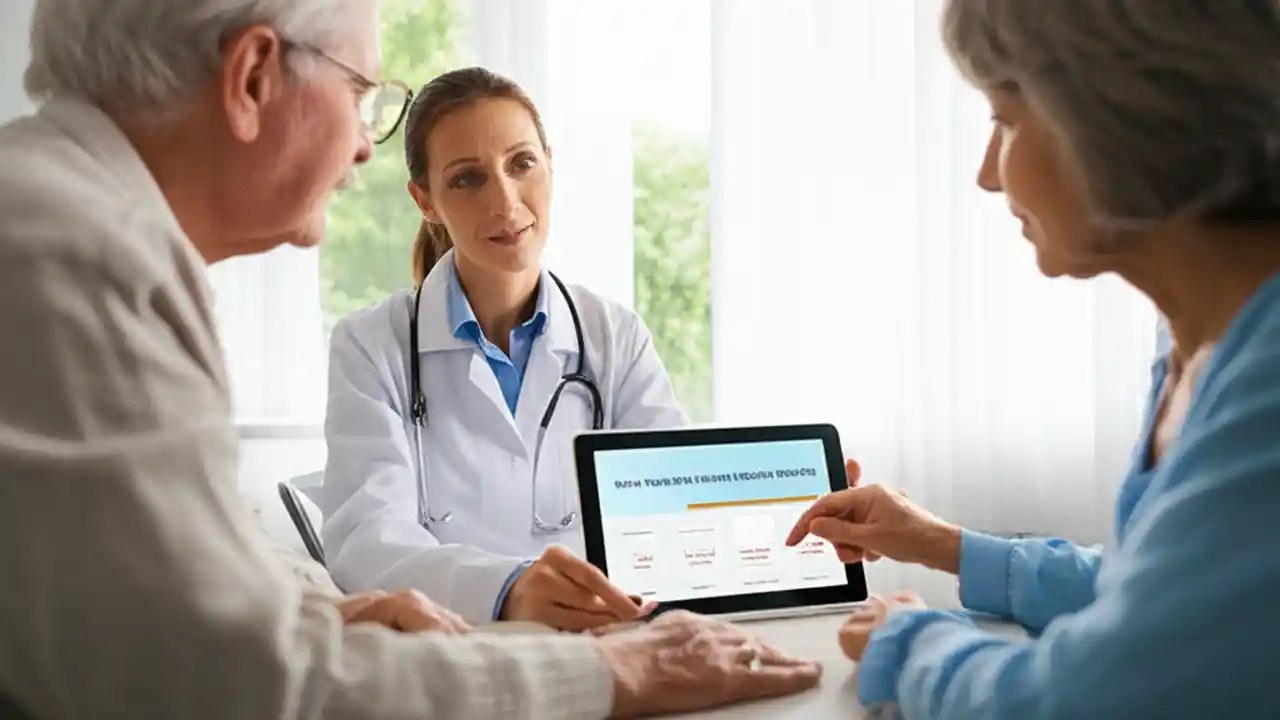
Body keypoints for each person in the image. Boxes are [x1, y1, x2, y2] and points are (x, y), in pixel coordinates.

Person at [0, 1, 821, 717]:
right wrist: (595, 670)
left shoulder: (69, 225)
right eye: (362, 94)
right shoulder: (73, 259)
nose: (363, 146)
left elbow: (168, 602)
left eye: (524, 163)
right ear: (253, 76)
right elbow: (235, 683)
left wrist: (791, 523)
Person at [786, 1, 1280, 718]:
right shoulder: (1196, 346)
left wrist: (910, 638)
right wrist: (942, 543)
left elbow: (1081, 701)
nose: (989, 175)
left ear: (1117, 115)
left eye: (1006, 121)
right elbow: (1155, 600)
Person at [319, 67, 688, 631]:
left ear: (550, 164)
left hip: (605, 633)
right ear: (425, 201)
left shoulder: (614, 337)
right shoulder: (372, 347)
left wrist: (796, 510)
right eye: (468, 179)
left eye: (522, 164)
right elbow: (367, 539)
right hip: (458, 644)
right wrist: (509, 589)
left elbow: (675, 502)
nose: (505, 201)